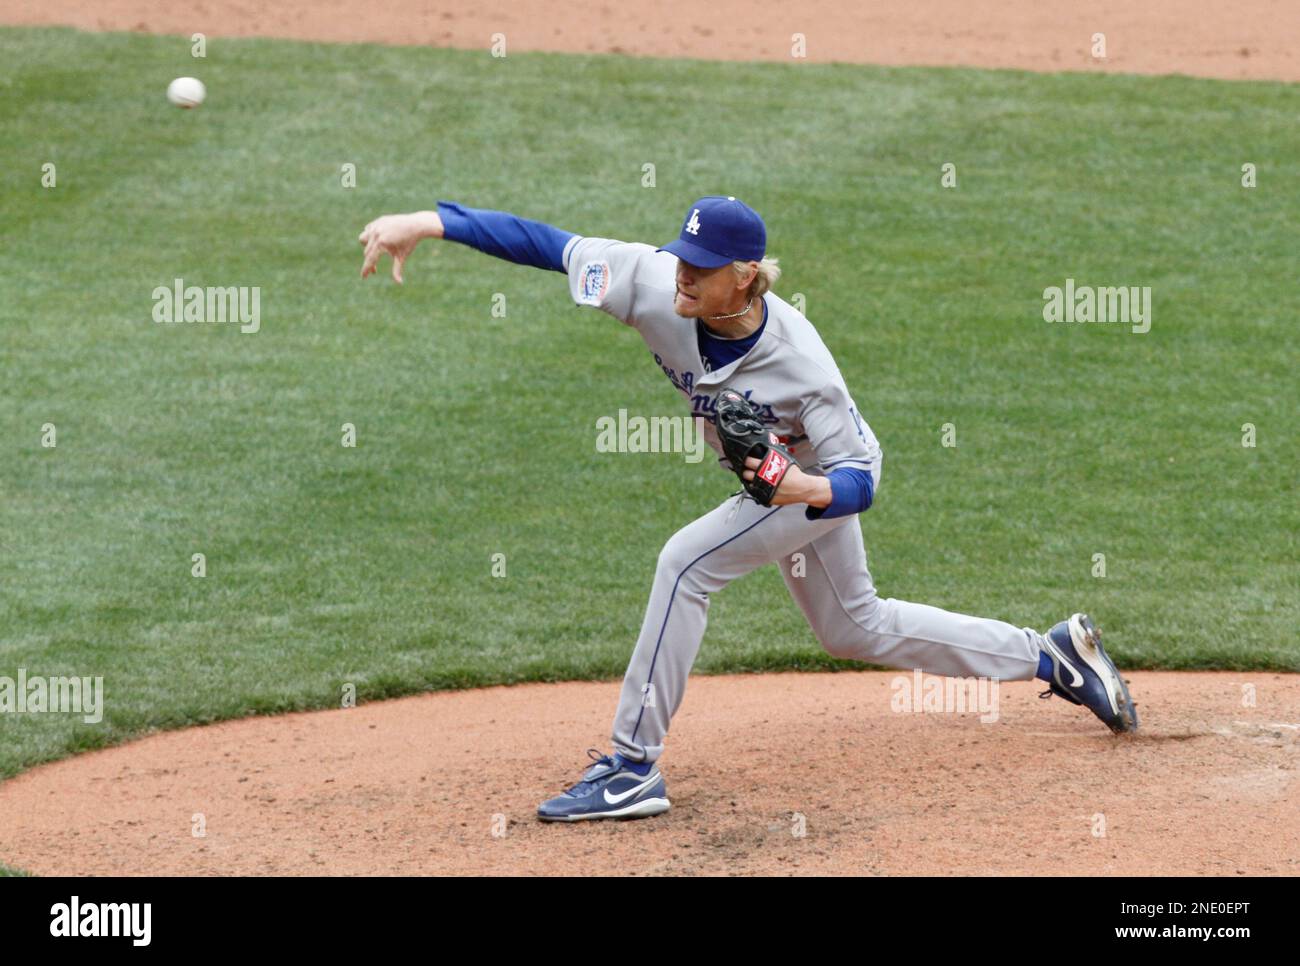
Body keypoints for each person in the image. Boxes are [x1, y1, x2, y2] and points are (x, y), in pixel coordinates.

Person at [358, 196, 1139, 822]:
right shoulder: (652, 279)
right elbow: (545, 242)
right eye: (681, 258)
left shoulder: (803, 367)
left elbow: (862, 478)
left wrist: (793, 488)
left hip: (810, 483)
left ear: (746, 276)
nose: (681, 276)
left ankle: (632, 767)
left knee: (684, 565)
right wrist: (429, 223)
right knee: (852, 626)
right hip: (774, 485)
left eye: (701, 267)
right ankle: (1053, 654)